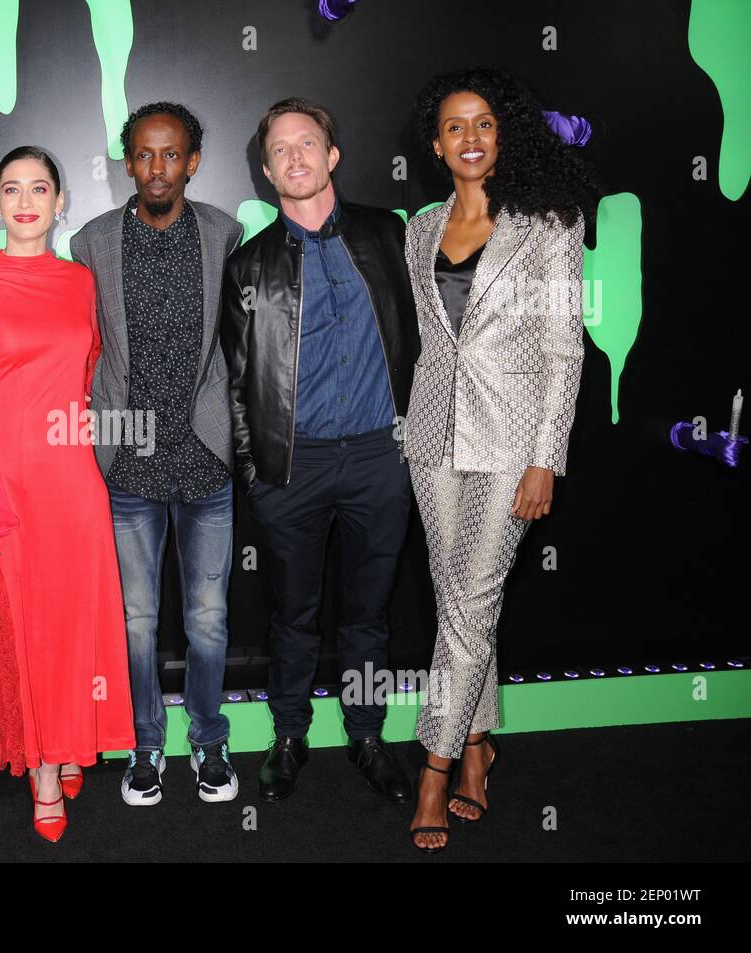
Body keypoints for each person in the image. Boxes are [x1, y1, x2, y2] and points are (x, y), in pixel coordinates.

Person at [403, 67, 594, 853]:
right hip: (431, 439)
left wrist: (546, 457)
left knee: (473, 602)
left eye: (483, 123)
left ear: (503, 133)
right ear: (436, 143)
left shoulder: (551, 224)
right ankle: (480, 745)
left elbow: (563, 349)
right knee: (458, 604)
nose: (470, 138)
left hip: (513, 442)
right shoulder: (420, 226)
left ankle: (436, 770)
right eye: (454, 126)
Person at [0, 146, 135, 843]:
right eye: (11, 188)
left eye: (39, 188)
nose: (24, 201)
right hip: (5, 485)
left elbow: (95, 374)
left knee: (77, 621)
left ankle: (74, 738)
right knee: (27, 626)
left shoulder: (81, 283)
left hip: (74, 482)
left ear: (59, 200)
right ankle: (44, 767)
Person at [220, 98, 419, 804]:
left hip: (378, 458)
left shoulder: (389, 236)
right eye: (281, 148)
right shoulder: (248, 266)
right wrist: (258, 473)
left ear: (331, 156)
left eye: (309, 143)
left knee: (368, 611)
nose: (296, 156)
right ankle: (289, 734)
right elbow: (236, 384)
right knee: (292, 614)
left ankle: (367, 734)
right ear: (267, 168)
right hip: (290, 468)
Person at [71, 103, 243, 807]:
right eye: (143, 154)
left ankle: (209, 741)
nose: (157, 168)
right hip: (131, 464)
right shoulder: (92, 242)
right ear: (128, 161)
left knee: (207, 619)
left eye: (172, 155)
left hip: (205, 458)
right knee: (136, 621)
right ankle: (146, 743)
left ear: (193, 161)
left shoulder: (224, 234)